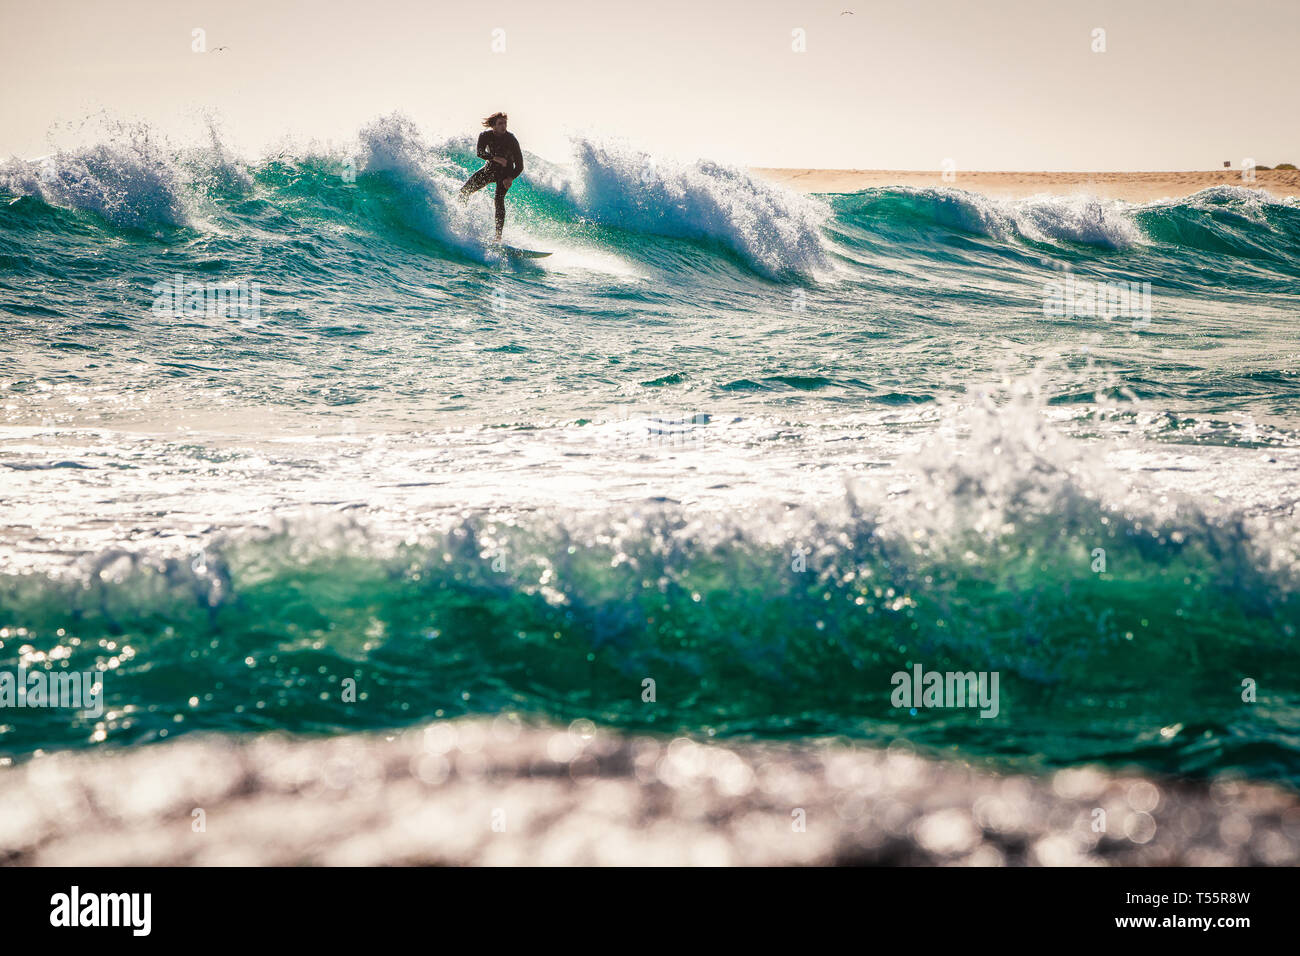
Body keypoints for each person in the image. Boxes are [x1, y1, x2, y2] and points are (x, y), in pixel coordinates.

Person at [458, 111, 524, 241]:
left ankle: (498, 237)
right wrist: (495, 158)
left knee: (499, 201)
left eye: (505, 123)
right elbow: (480, 152)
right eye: (500, 123)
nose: (503, 126)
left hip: (505, 175)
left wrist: (510, 178)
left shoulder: (511, 139)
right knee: (464, 192)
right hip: (489, 170)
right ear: (493, 125)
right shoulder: (485, 136)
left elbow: (520, 165)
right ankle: (460, 220)